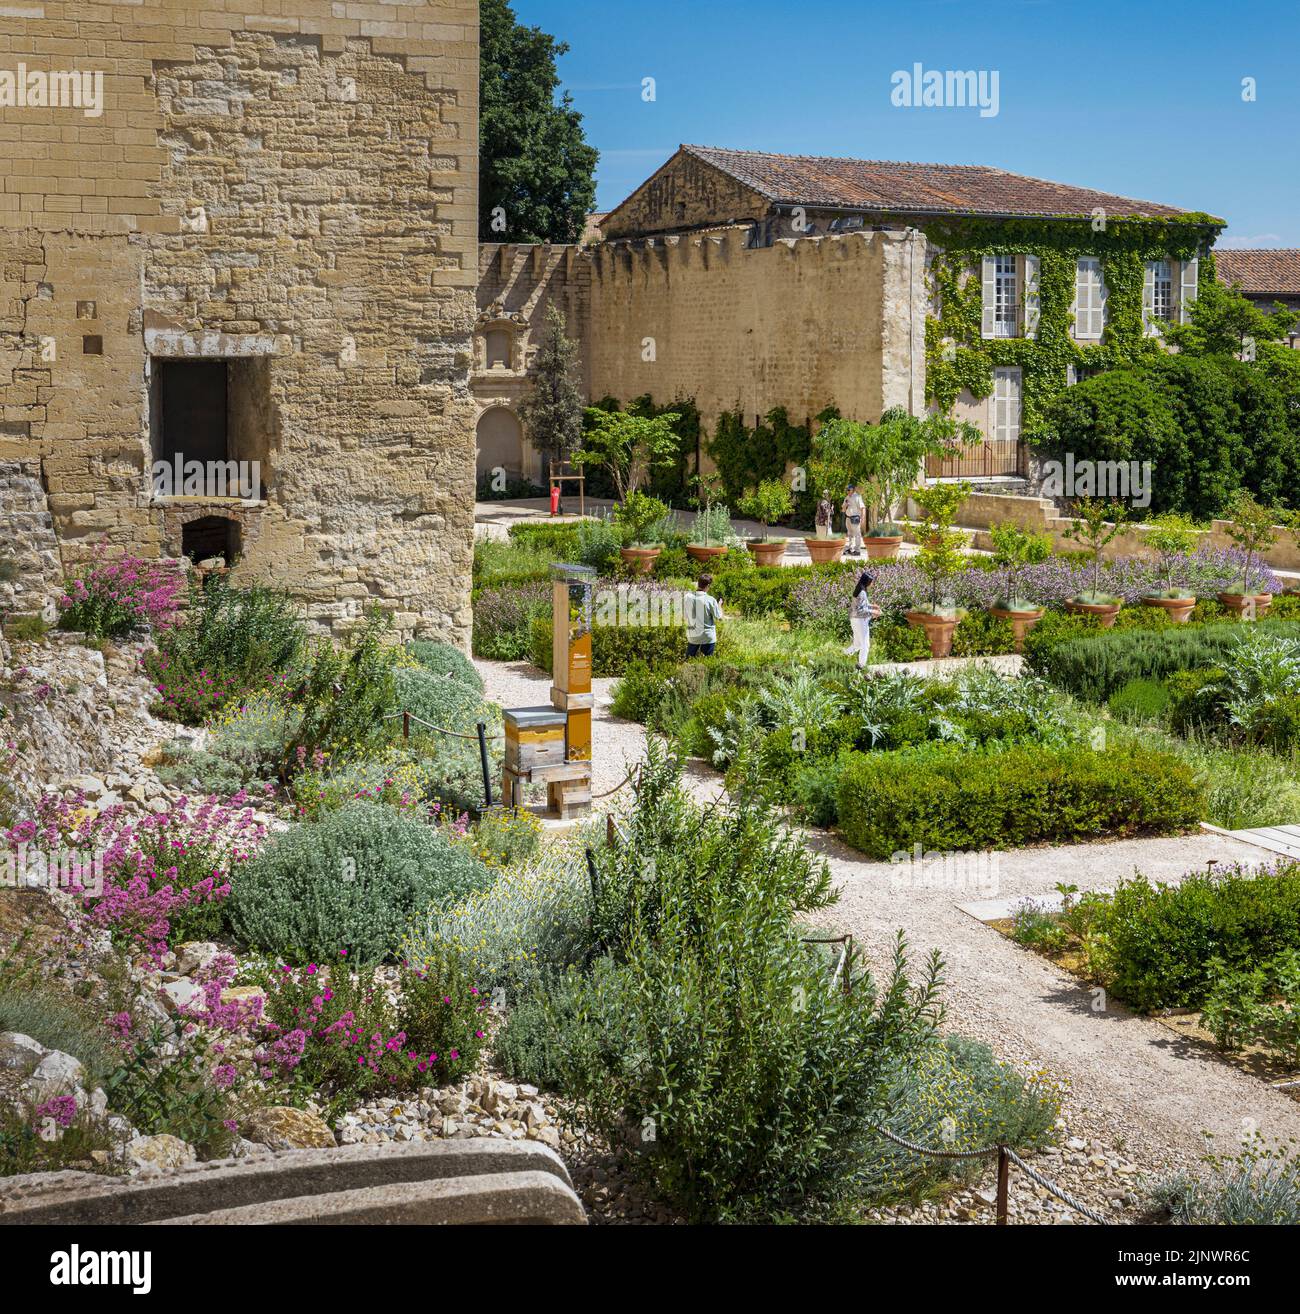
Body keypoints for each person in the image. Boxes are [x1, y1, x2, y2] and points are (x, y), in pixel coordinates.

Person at [844, 570, 880, 669]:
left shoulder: (859, 589)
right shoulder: (862, 592)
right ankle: (862, 666)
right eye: (871, 582)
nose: (872, 584)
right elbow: (861, 610)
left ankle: (842, 655)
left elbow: (861, 605)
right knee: (865, 645)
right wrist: (873, 613)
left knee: (857, 644)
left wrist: (872, 606)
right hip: (860, 620)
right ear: (867, 581)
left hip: (854, 619)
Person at [685, 573, 723, 658]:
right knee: (708, 661)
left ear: (698, 583)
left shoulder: (687, 597)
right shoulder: (710, 600)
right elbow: (719, 617)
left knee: (689, 660)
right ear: (708, 585)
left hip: (693, 636)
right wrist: (719, 605)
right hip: (707, 636)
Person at [843, 483, 866, 555]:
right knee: (849, 534)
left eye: (849, 490)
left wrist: (863, 518)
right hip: (848, 518)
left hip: (855, 518)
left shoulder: (857, 497)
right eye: (847, 490)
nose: (848, 491)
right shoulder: (847, 498)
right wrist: (845, 505)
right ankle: (850, 548)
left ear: (852, 490)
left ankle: (857, 550)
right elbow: (843, 510)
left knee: (857, 534)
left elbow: (863, 508)